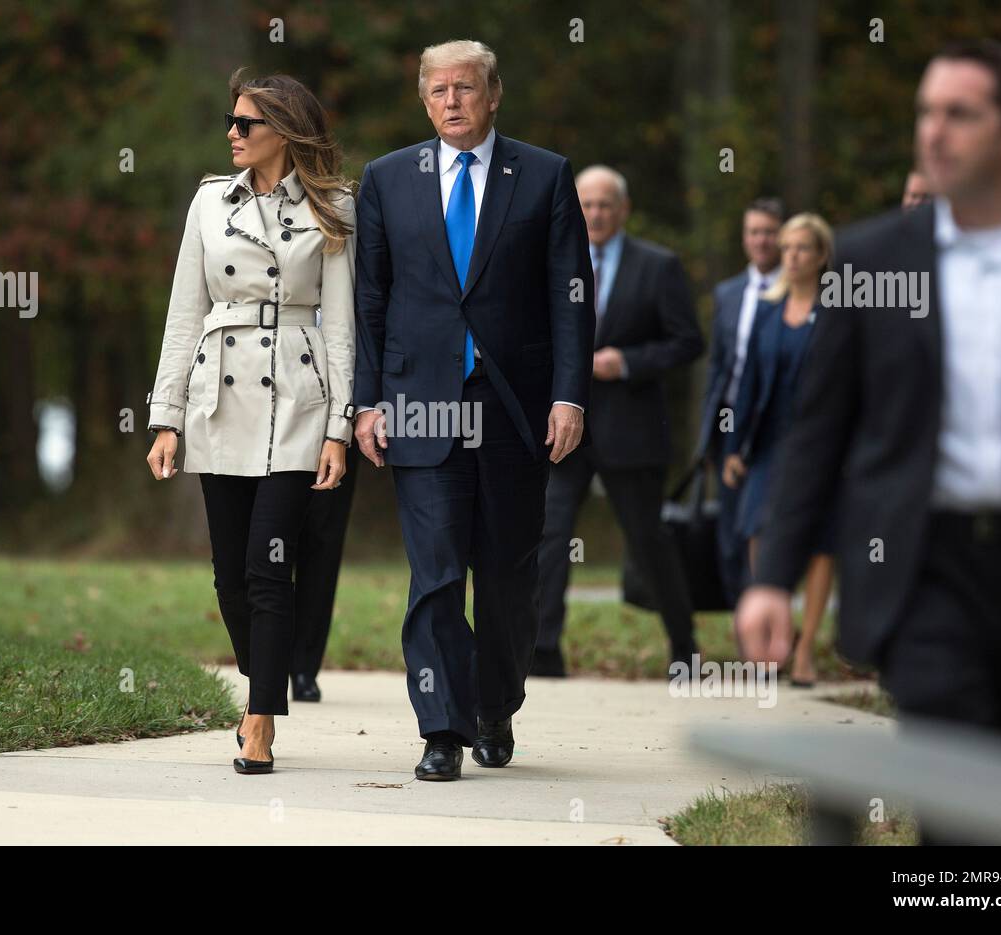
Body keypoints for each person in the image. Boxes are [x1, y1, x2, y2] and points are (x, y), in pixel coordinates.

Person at [736, 41, 1001, 840]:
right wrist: (771, 577)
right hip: (921, 563)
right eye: (927, 111)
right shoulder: (872, 258)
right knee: (955, 772)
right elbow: (820, 429)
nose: (934, 131)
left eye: (961, 114)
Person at [352, 39, 594, 780]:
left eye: (465, 88)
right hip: (419, 400)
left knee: (507, 573)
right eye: (437, 90)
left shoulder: (546, 175)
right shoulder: (387, 179)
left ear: (493, 97)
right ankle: (441, 727)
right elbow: (368, 299)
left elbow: (569, 294)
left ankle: (495, 707)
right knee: (433, 575)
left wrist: (568, 393)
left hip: (514, 405)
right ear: (423, 100)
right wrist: (366, 403)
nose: (451, 101)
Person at [145, 70, 356, 775]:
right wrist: (165, 416)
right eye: (230, 121)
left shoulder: (333, 206)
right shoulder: (210, 202)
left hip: (297, 401)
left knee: (270, 568)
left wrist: (339, 427)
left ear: (285, 133)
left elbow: (343, 328)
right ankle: (263, 676)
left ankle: (261, 717)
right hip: (219, 396)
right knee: (230, 580)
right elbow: (183, 313)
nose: (232, 133)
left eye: (246, 124)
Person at [534, 165, 704, 676]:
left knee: (650, 541)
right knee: (550, 536)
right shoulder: (551, 261)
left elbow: (688, 341)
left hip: (631, 430)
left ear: (623, 210)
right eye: (587, 204)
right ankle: (542, 652)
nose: (596, 213)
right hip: (564, 428)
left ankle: (684, 645)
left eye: (606, 204)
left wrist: (626, 362)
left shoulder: (658, 266)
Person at [722, 213, 836, 687]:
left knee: (820, 546)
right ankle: (769, 647)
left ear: (821, 256)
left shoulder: (837, 311)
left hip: (822, 443)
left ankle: (806, 649)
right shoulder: (769, 311)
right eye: (786, 247)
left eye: (802, 248)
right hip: (769, 444)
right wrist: (735, 445)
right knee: (757, 533)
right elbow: (747, 383)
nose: (790, 255)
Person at [694, 199, 783, 604]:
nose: (762, 240)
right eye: (754, 232)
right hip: (730, 423)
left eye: (769, 231)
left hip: (778, 425)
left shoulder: (798, 291)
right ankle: (745, 630)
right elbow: (717, 367)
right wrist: (708, 437)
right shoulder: (728, 294)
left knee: (765, 528)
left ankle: (772, 627)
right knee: (730, 532)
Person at [290, 436, 360, 702]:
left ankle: (304, 669)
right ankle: (267, 664)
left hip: (336, 422)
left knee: (322, 544)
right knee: (270, 546)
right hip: (267, 418)